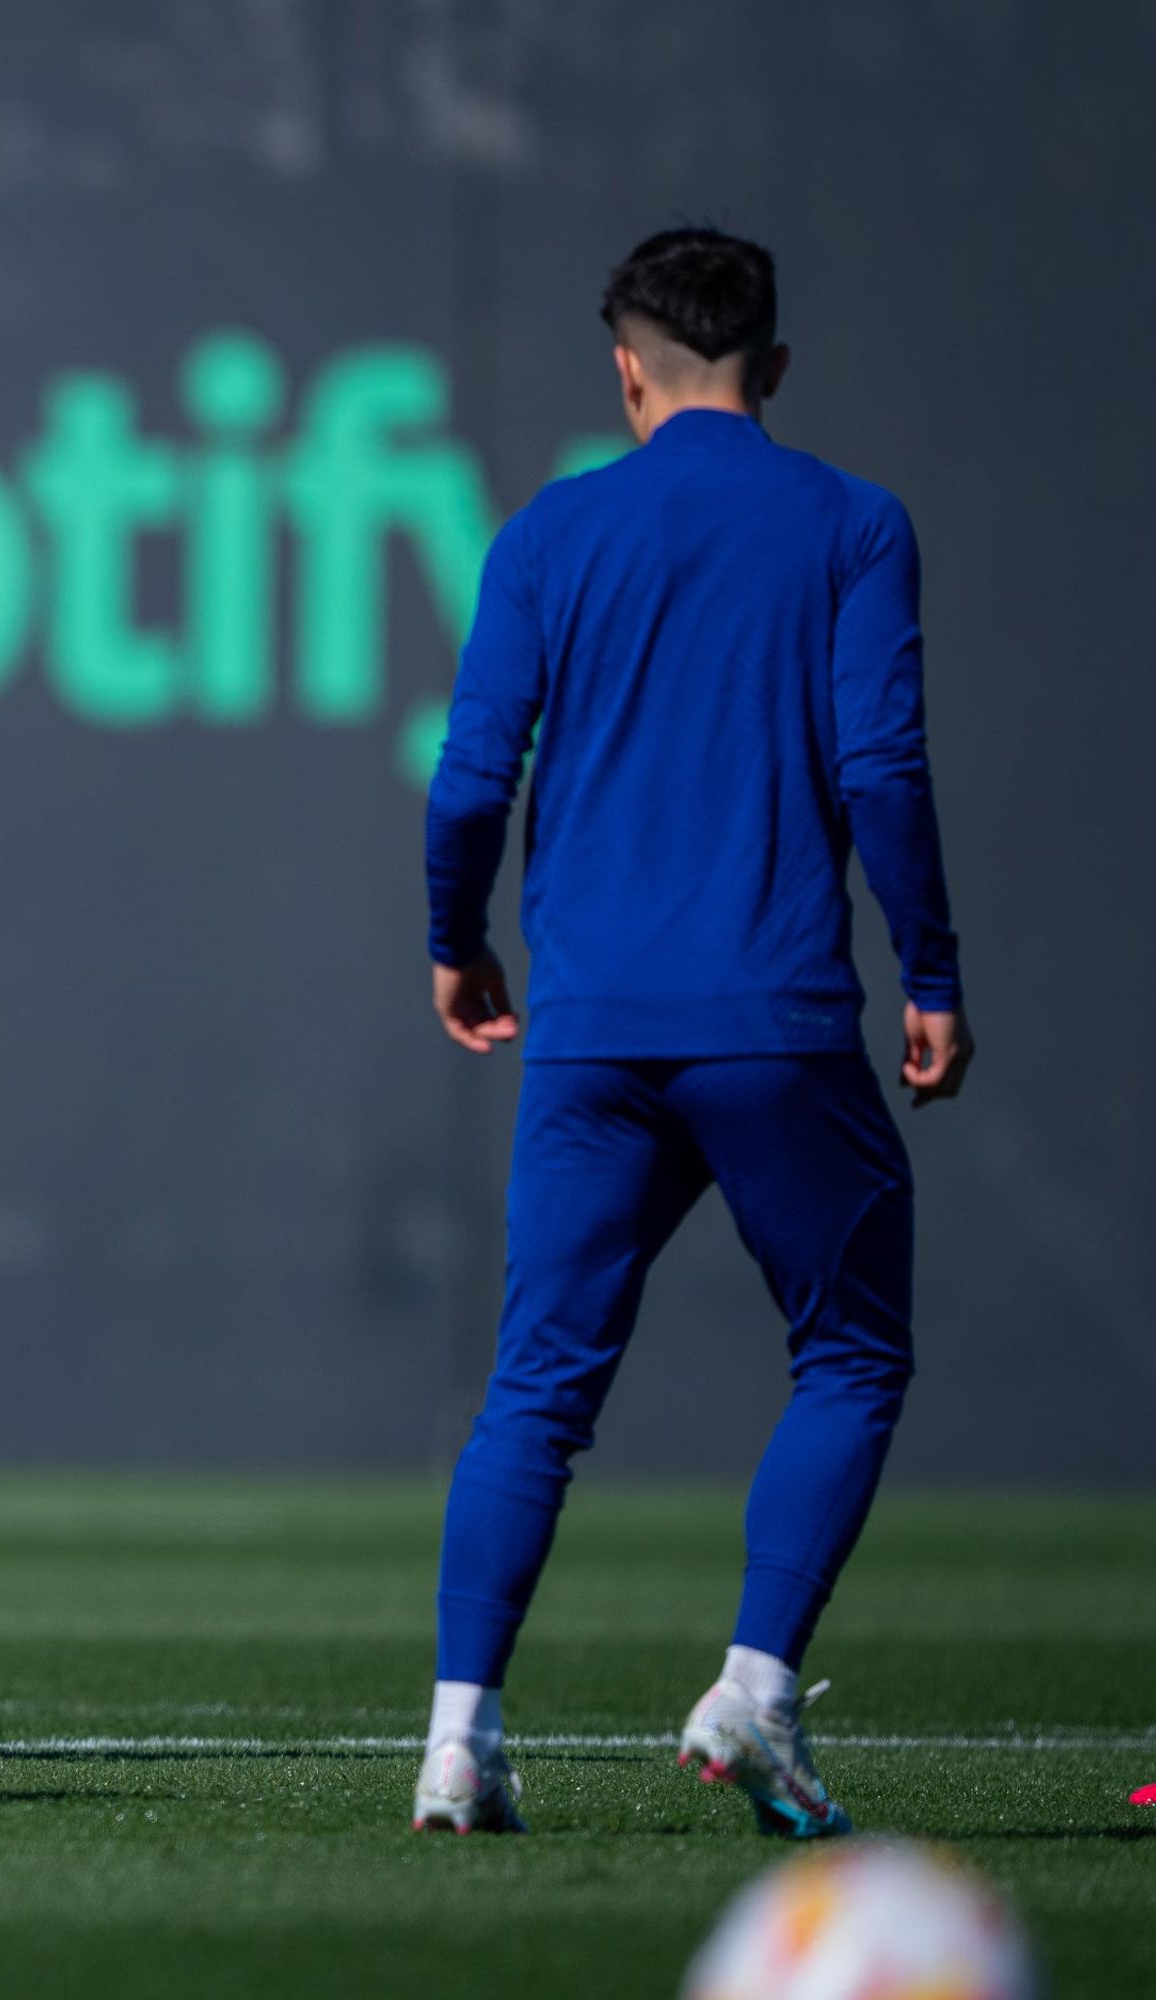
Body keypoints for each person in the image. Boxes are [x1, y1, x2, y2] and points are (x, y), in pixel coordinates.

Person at [411, 227, 969, 1837]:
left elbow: (466, 784)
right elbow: (885, 773)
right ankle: (755, 1692)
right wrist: (931, 969)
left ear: (627, 370)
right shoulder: (858, 526)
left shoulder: (550, 531)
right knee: (855, 1354)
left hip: (589, 1035)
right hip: (779, 1023)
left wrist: (460, 946)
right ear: (773, 368)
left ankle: (460, 1739)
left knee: (534, 1391)